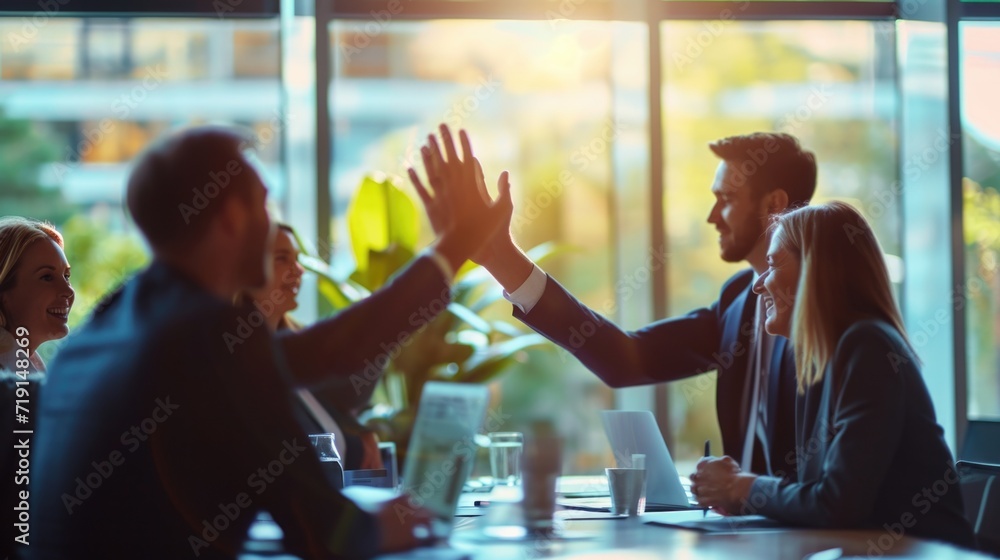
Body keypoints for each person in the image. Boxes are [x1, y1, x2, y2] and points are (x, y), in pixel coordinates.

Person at [29, 124, 509, 559]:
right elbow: (325, 534)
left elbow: (319, 354)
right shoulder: (204, 334)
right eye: (264, 203)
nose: (272, 221)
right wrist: (385, 524)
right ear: (231, 217)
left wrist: (452, 246)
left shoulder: (114, 323)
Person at [410, 132, 817, 478]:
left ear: (773, 205)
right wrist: (502, 259)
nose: (712, 216)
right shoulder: (737, 300)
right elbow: (626, 358)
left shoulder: (823, 306)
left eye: (726, 198)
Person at [690, 202, 974, 547]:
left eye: (773, 264)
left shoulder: (867, 346)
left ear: (816, 270)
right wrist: (739, 491)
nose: (758, 285)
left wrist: (740, 487)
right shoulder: (823, 356)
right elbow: (815, 494)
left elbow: (837, 503)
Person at [239, 223, 383, 471]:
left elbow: (324, 429)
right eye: (282, 259)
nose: (298, 270)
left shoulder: (297, 354)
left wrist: (359, 433)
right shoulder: (241, 363)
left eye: (297, 259)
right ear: (248, 271)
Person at [0, 217, 74, 560]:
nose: (68, 291)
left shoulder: (26, 365)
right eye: (47, 277)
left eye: (66, 275)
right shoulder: (11, 385)